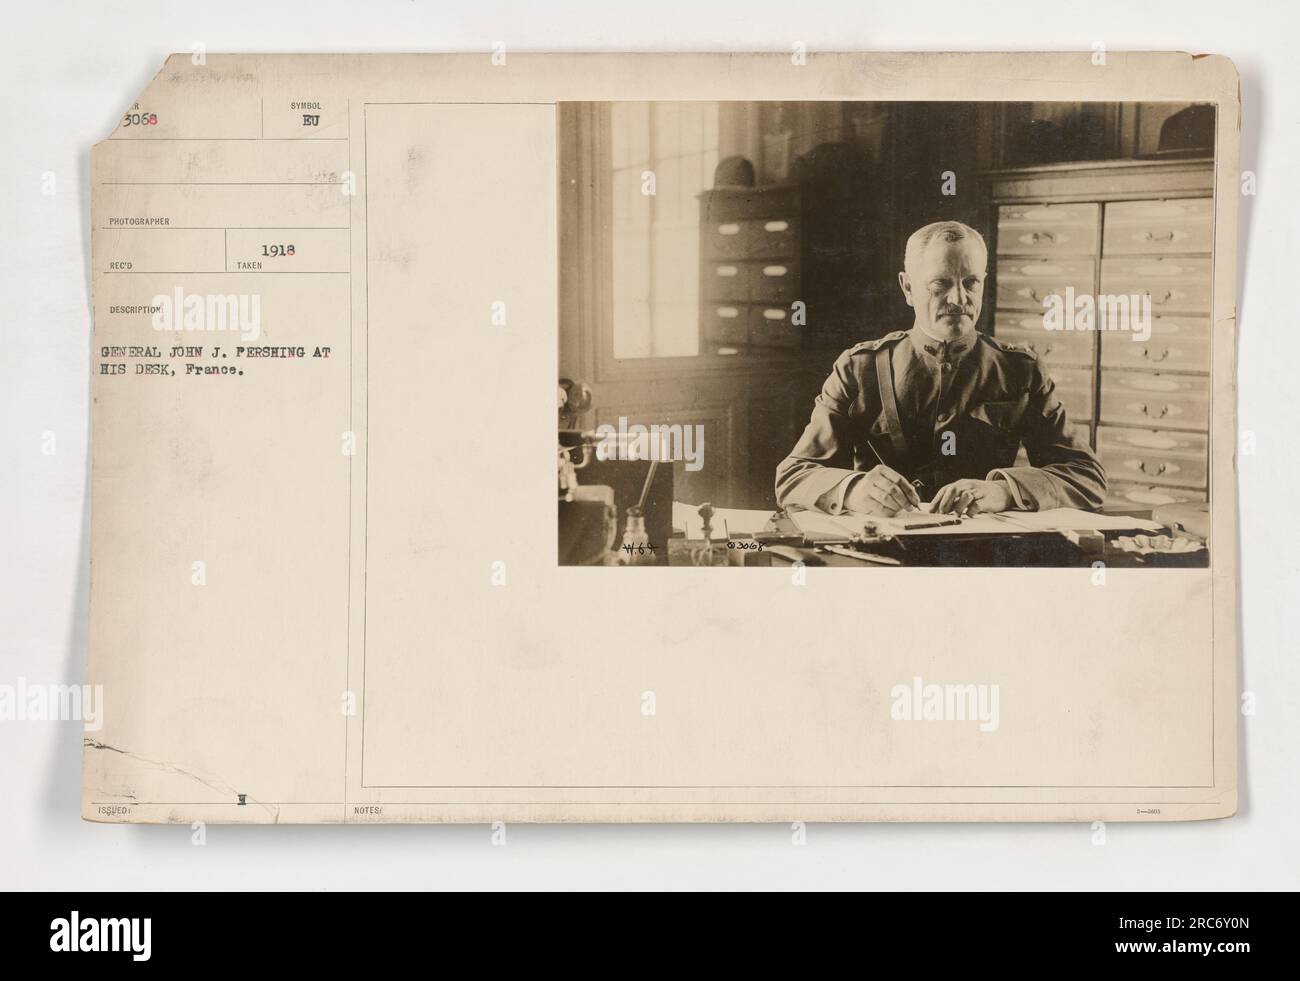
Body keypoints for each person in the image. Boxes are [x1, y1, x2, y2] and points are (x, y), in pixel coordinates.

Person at [774, 220, 1105, 517]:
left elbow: (1087, 477)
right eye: (940, 285)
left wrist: (1003, 491)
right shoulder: (859, 369)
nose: (958, 299)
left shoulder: (1019, 370)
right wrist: (853, 490)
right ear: (908, 288)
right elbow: (793, 475)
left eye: (971, 282)